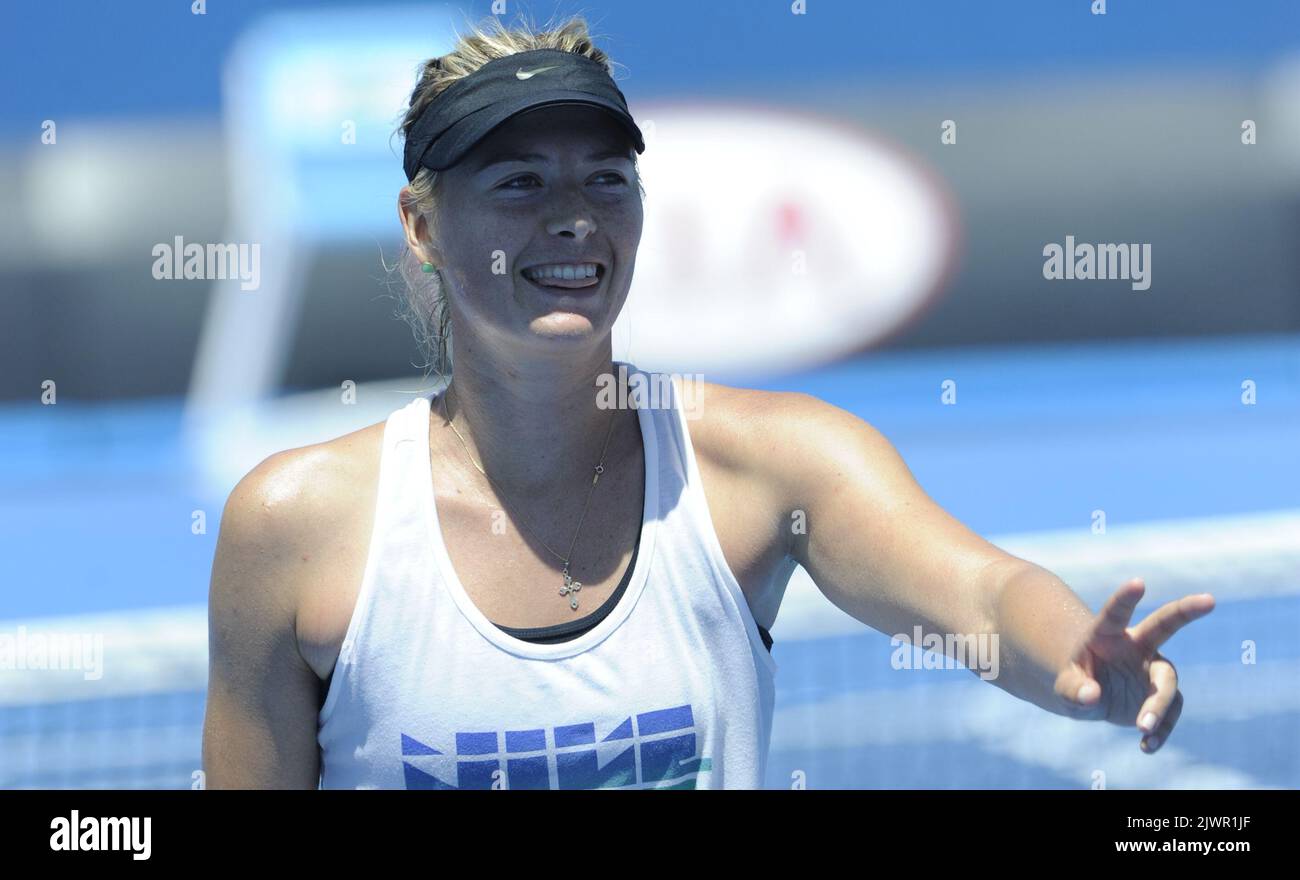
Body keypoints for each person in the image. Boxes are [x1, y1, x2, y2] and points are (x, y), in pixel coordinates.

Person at [201, 15, 1215, 790]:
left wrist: (1069, 656)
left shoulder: (777, 464)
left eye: (605, 181)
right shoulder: (291, 526)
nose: (571, 219)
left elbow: (983, 595)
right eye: (517, 185)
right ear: (420, 227)